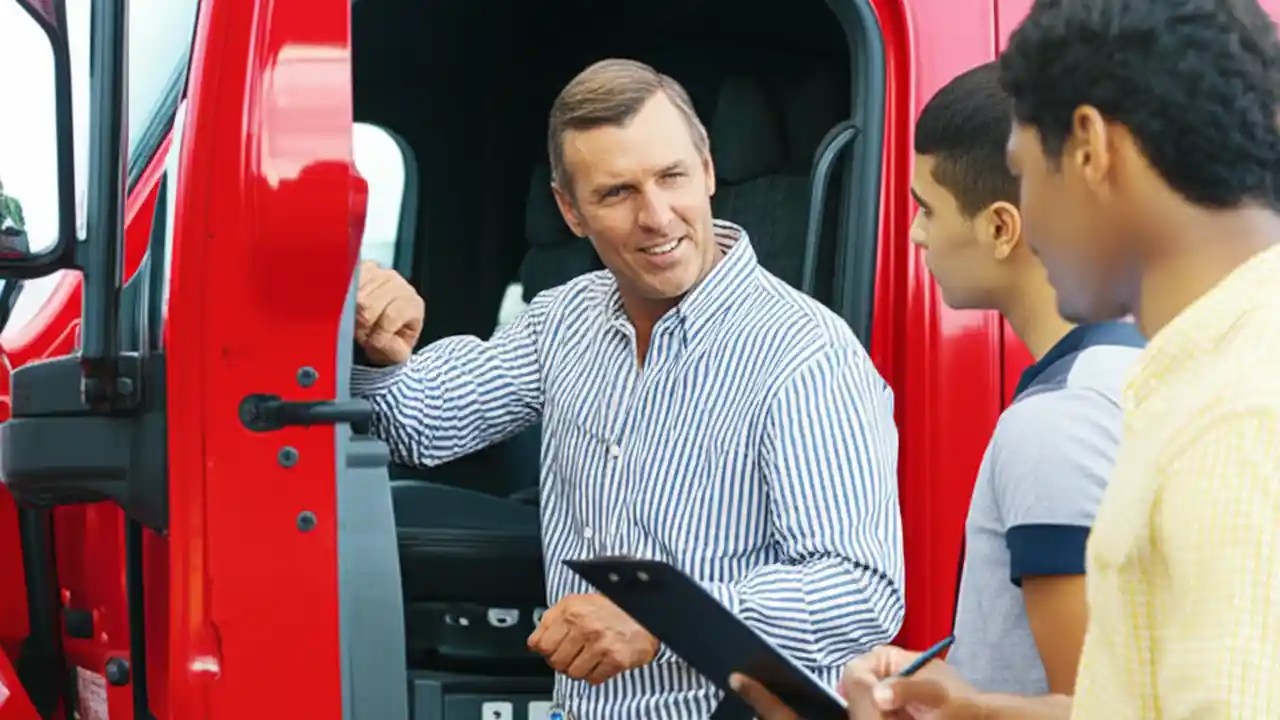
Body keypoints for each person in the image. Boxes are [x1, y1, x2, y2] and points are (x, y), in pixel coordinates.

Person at [732, 0, 1280, 717]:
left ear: (1087, 149)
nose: (1028, 222)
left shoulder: (1231, 421)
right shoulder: (1198, 379)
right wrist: (981, 710)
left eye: (1023, 169)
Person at [353, 58, 905, 718]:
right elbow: (423, 425)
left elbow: (861, 592)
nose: (656, 216)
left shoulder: (806, 354)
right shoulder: (564, 321)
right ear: (571, 210)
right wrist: (377, 347)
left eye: (671, 177)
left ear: (706, 169)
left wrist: (664, 618)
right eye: (616, 193)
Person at [914, 61, 1143, 697]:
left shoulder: (1056, 423)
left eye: (927, 210)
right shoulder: (1144, 367)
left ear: (999, 227)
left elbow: (1096, 708)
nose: (915, 234)